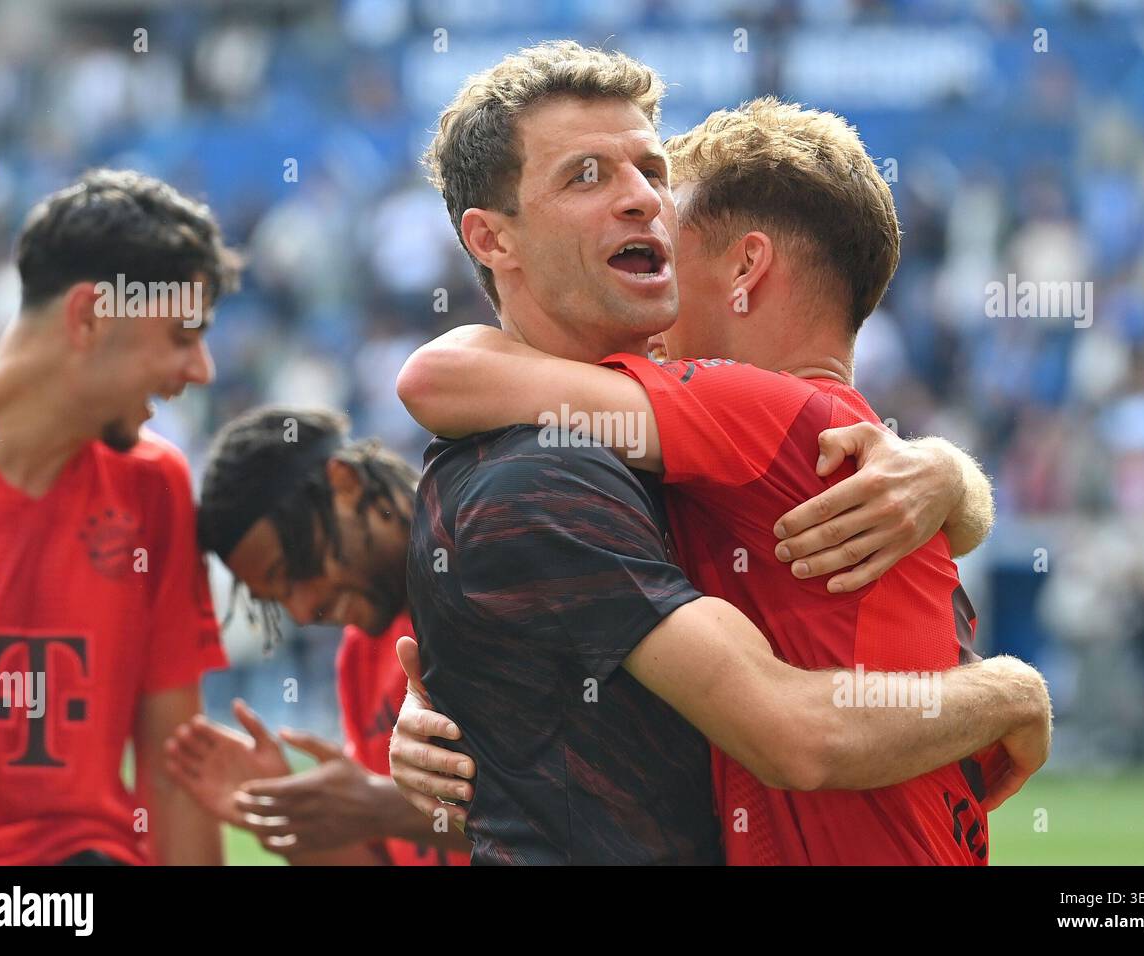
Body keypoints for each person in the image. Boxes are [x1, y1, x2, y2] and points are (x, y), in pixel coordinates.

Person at [389, 41, 1050, 865]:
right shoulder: (572, 469)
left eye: (653, 173)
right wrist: (464, 712)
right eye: (587, 175)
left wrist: (955, 488)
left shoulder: (742, 439)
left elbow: (440, 376)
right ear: (492, 239)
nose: (643, 204)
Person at [0, 169, 236, 865]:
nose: (201, 370)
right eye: (181, 335)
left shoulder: (153, 485)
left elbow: (176, 762)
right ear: (89, 317)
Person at [164, 407, 470, 865]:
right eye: (278, 599)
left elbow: (575, 815)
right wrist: (293, 815)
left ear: (344, 482)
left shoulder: (483, 572)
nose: (304, 612)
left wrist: (377, 804)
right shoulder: (360, 655)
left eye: (297, 570)